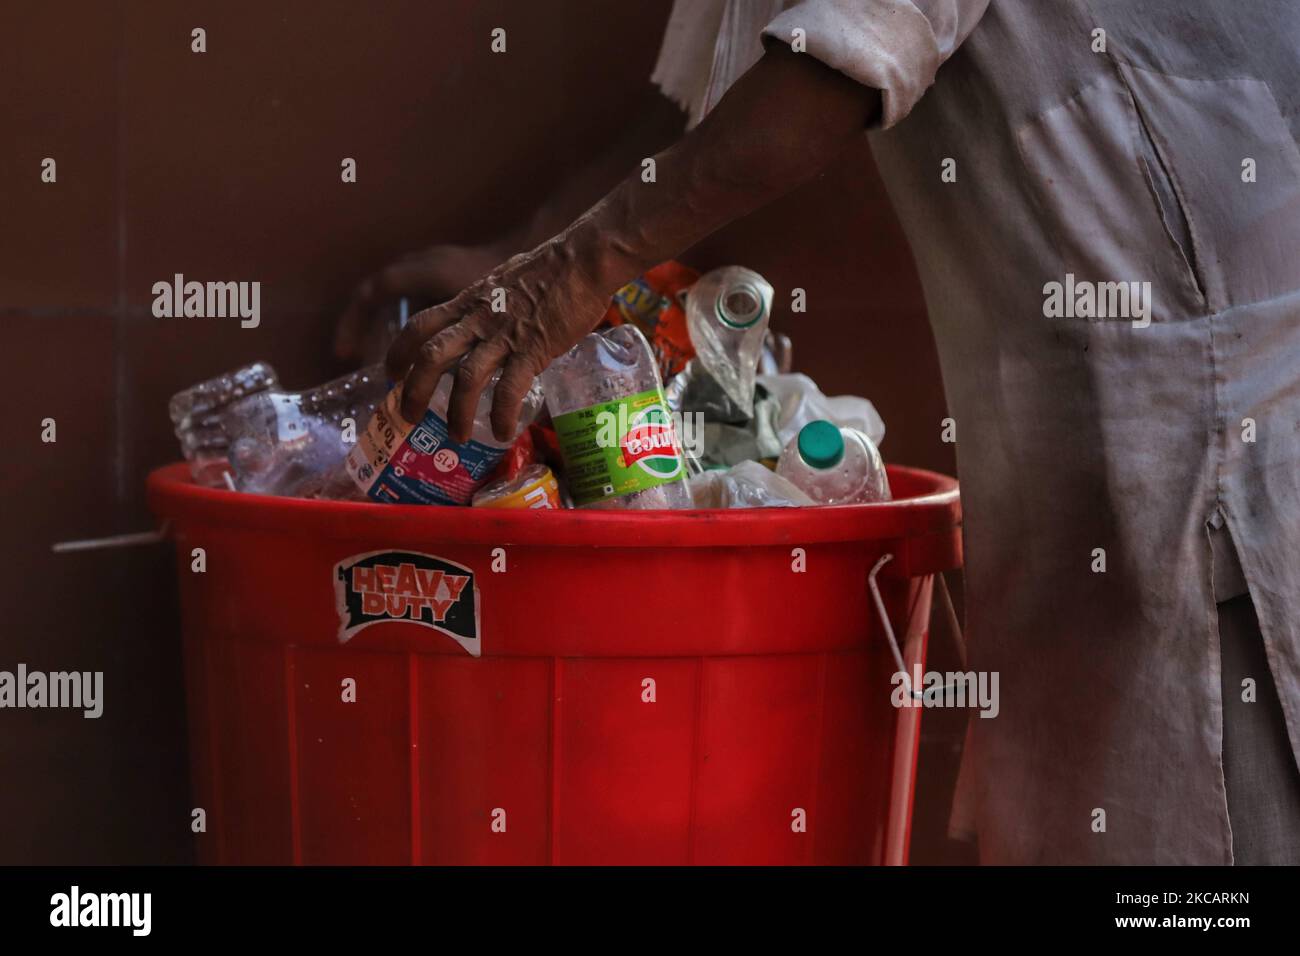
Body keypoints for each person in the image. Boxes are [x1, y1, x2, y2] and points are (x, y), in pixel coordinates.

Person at [340, 0, 1300, 864]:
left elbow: (834, 64)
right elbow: (720, 98)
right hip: (1086, 455)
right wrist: (532, 254)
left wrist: (561, 275)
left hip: (1216, 434)